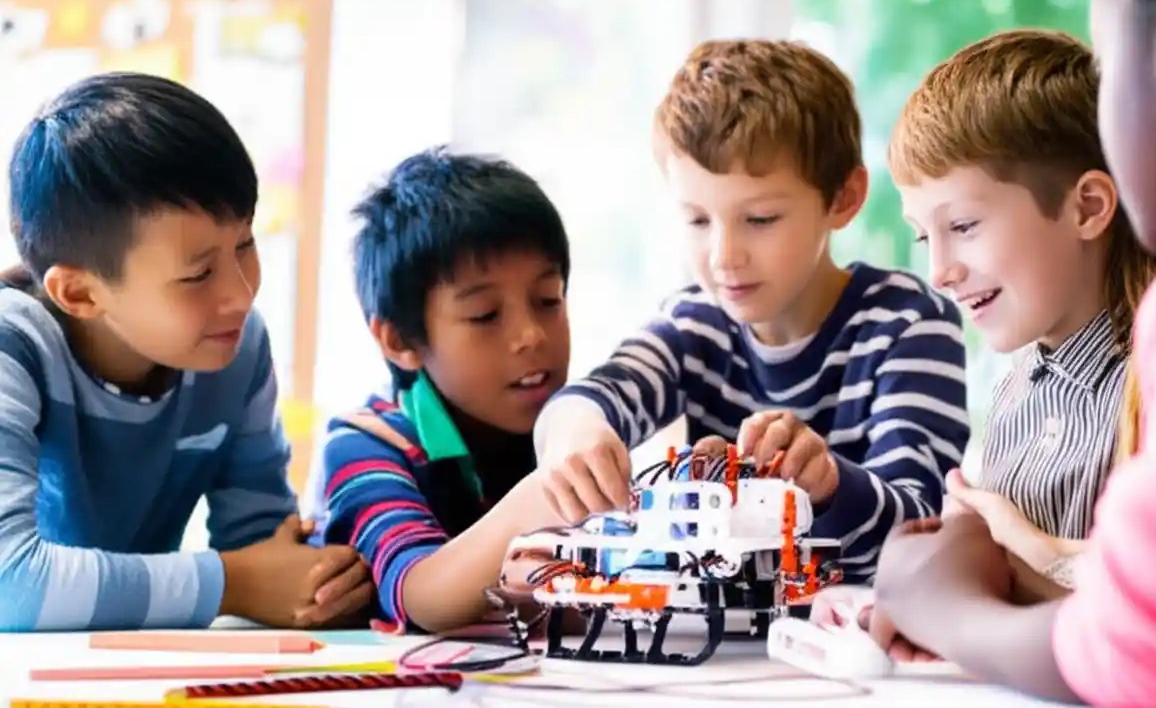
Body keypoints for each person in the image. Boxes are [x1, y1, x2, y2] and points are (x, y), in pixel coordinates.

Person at [868, 0, 1156, 704]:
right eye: (923, 236)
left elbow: (1147, 652)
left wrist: (948, 603)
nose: (938, 270)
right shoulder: (1017, 386)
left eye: (1108, 66)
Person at [531, 38, 970, 579]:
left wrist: (829, 485)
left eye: (760, 219)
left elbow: (922, 526)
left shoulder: (907, 323)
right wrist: (575, 430)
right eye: (697, 220)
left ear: (843, 199)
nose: (724, 256)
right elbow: (595, 396)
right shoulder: (694, 326)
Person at [0, 72, 369, 631]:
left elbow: (264, 546)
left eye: (245, 244)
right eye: (198, 275)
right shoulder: (15, 346)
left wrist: (318, 581)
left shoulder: (235, 347)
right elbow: (11, 586)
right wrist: (236, 585)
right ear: (81, 294)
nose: (241, 295)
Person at [314, 147, 570, 632]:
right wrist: (547, 493)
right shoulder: (366, 444)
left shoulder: (572, 424)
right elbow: (420, 595)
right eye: (485, 316)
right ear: (400, 340)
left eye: (547, 300)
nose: (531, 336)